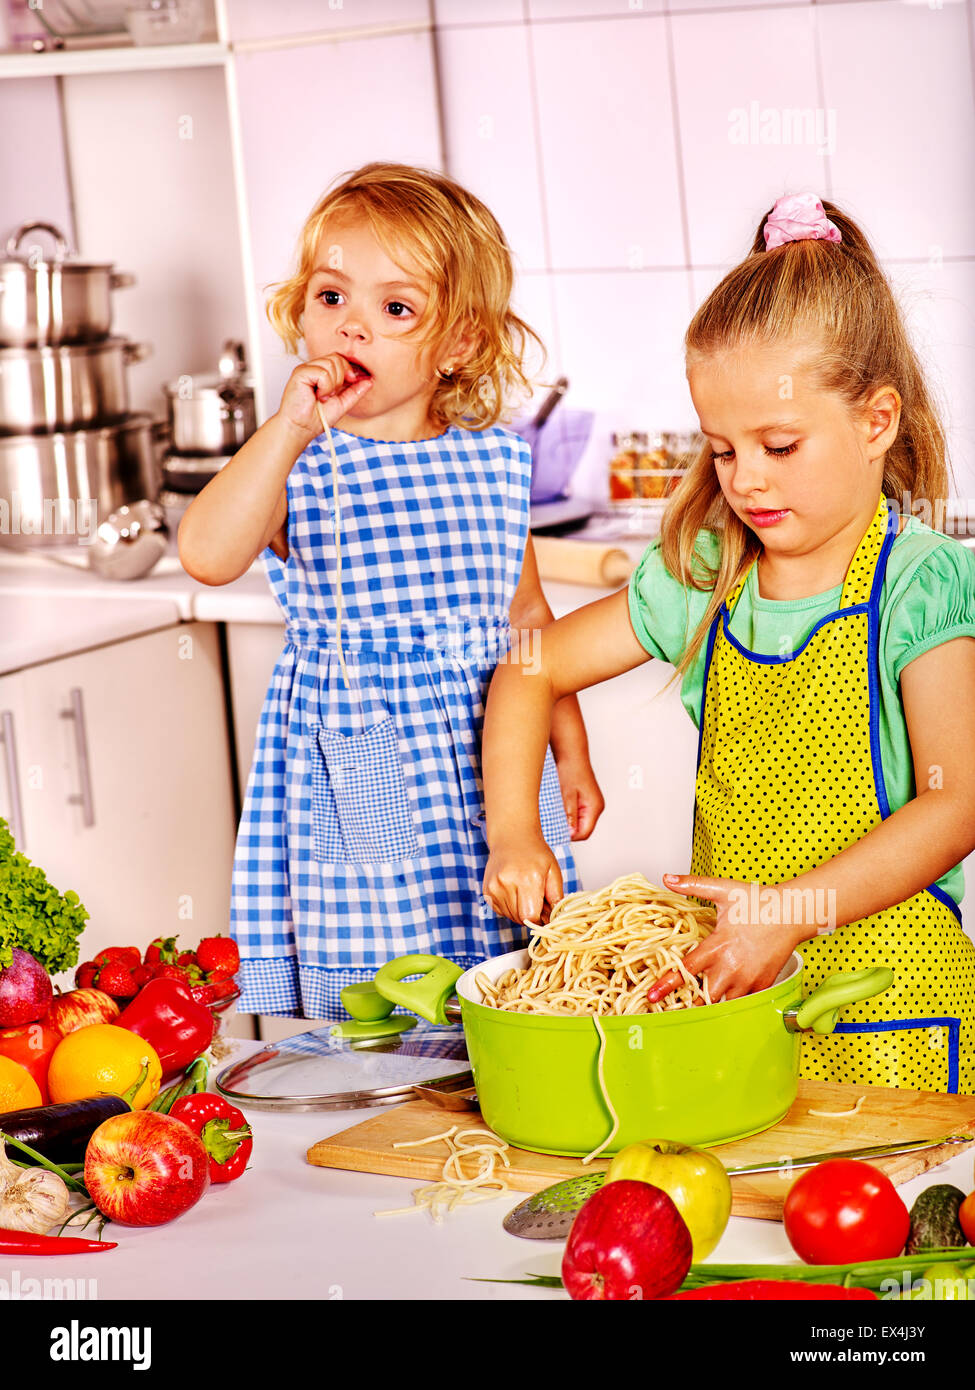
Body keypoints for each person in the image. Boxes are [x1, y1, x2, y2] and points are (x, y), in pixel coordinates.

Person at [481, 194, 975, 1093]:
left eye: (779, 445)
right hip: (741, 998)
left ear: (876, 422)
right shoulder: (708, 574)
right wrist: (515, 831)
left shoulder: (921, 582)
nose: (745, 481)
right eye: (720, 451)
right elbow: (529, 668)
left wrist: (787, 915)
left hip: (896, 1011)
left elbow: (955, 806)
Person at [179, 162, 603, 1019]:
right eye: (331, 298)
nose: (352, 330)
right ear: (299, 309)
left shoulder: (491, 463)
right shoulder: (299, 458)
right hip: (360, 754)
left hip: (493, 749)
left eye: (395, 309)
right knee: (382, 974)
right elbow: (206, 555)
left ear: (459, 345)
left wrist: (571, 746)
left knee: (503, 963)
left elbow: (529, 622)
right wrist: (287, 427)